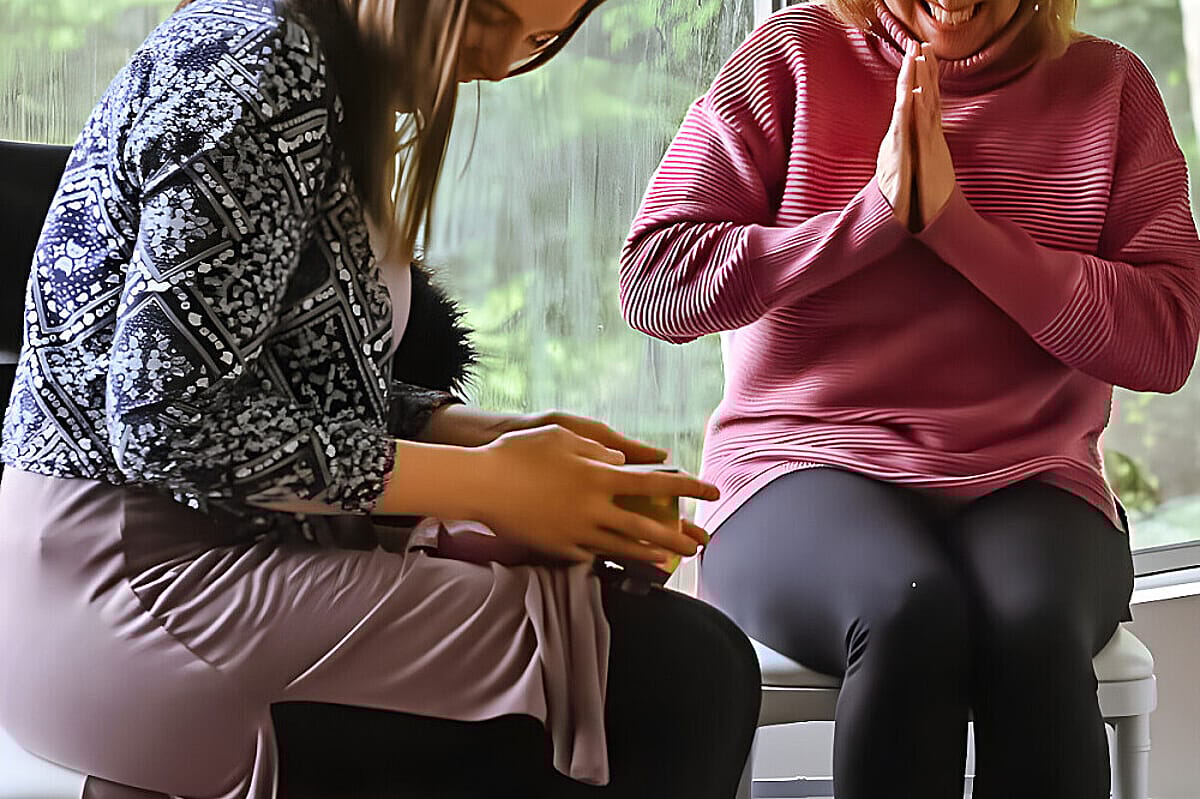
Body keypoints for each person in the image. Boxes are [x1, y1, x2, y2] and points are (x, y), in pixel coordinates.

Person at [0, 0, 763, 797]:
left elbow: (280, 377)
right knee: (677, 677)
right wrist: (493, 486)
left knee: (673, 658)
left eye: (540, 40)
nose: (497, 63)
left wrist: (488, 437)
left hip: (218, 545)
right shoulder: (258, 68)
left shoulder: (316, 64)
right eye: (486, 18)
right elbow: (165, 423)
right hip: (133, 584)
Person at [619, 0, 1200, 796]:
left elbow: (1166, 339)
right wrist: (871, 219)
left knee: (1030, 627)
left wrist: (960, 229)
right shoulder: (794, 57)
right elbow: (656, 282)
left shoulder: (1109, 88)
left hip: (1032, 479)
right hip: (797, 470)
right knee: (909, 614)